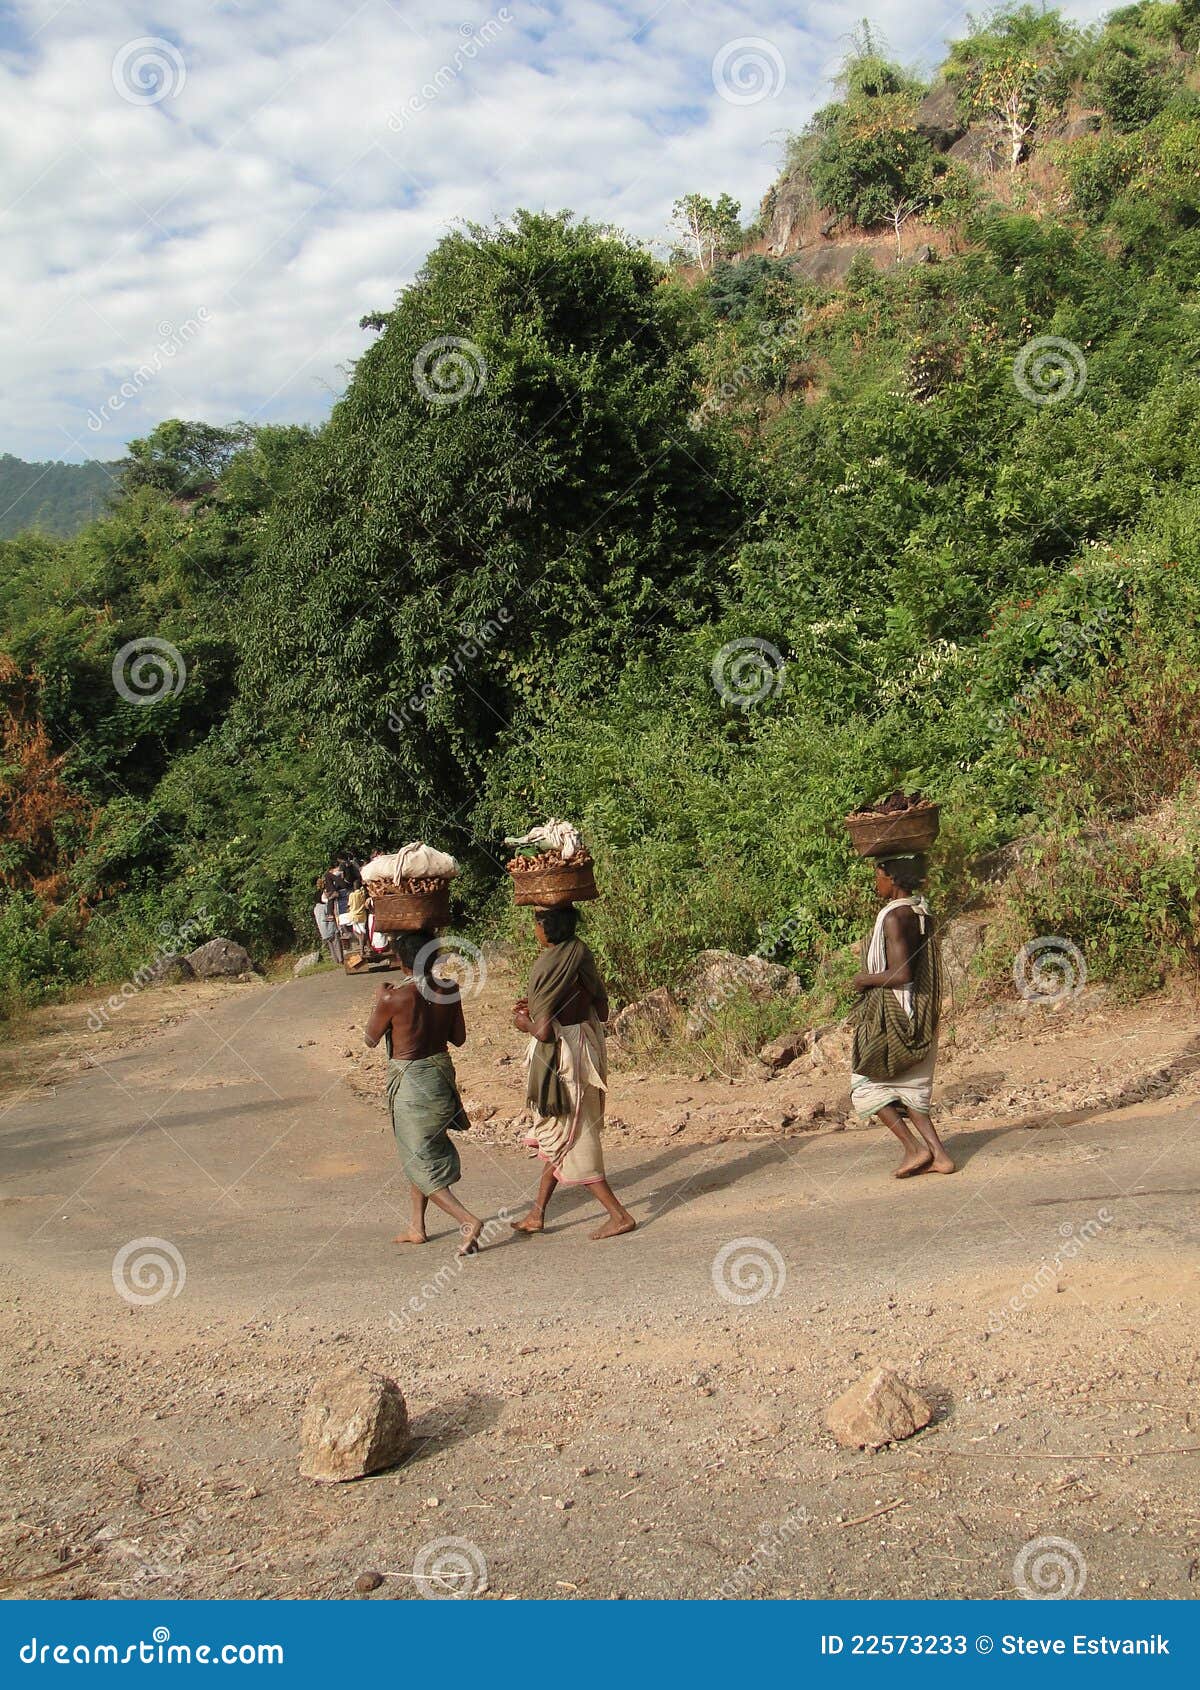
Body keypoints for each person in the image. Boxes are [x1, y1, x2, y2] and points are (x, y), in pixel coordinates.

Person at [510, 906, 636, 1242]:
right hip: (585, 1049)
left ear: (546, 928)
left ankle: (619, 1215)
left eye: (537, 923)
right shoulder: (580, 956)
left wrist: (522, 1020)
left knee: (572, 1136)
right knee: (561, 1134)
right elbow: (602, 1008)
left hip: (564, 1057)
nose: (535, 929)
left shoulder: (548, 965)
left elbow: (545, 1033)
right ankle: (537, 1213)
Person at [363, 931, 486, 1255]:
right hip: (440, 1080)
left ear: (402, 960)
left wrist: (380, 1000)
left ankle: (467, 1220)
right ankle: (416, 1226)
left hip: (411, 1086)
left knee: (417, 1157)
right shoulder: (449, 989)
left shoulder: (394, 998)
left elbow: (370, 1039)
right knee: (418, 1154)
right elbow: (458, 1038)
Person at [849, 855, 956, 1179]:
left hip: (898, 1013)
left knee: (865, 1084)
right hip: (919, 1012)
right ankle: (939, 1155)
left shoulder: (896, 917)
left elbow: (901, 974)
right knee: (909, 1088)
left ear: (891, 877)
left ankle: (914, 1149)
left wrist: (863, 980)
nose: (875, 883)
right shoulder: (919, 910)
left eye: (877, 875)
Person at [346, 883, 370, 960]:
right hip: (362, 915)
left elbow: (349, 905)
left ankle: (362, 949)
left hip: (353, 915)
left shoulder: (351, 895)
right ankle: (364, 947)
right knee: (363, 932)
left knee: (357, 932)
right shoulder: (363, 894)